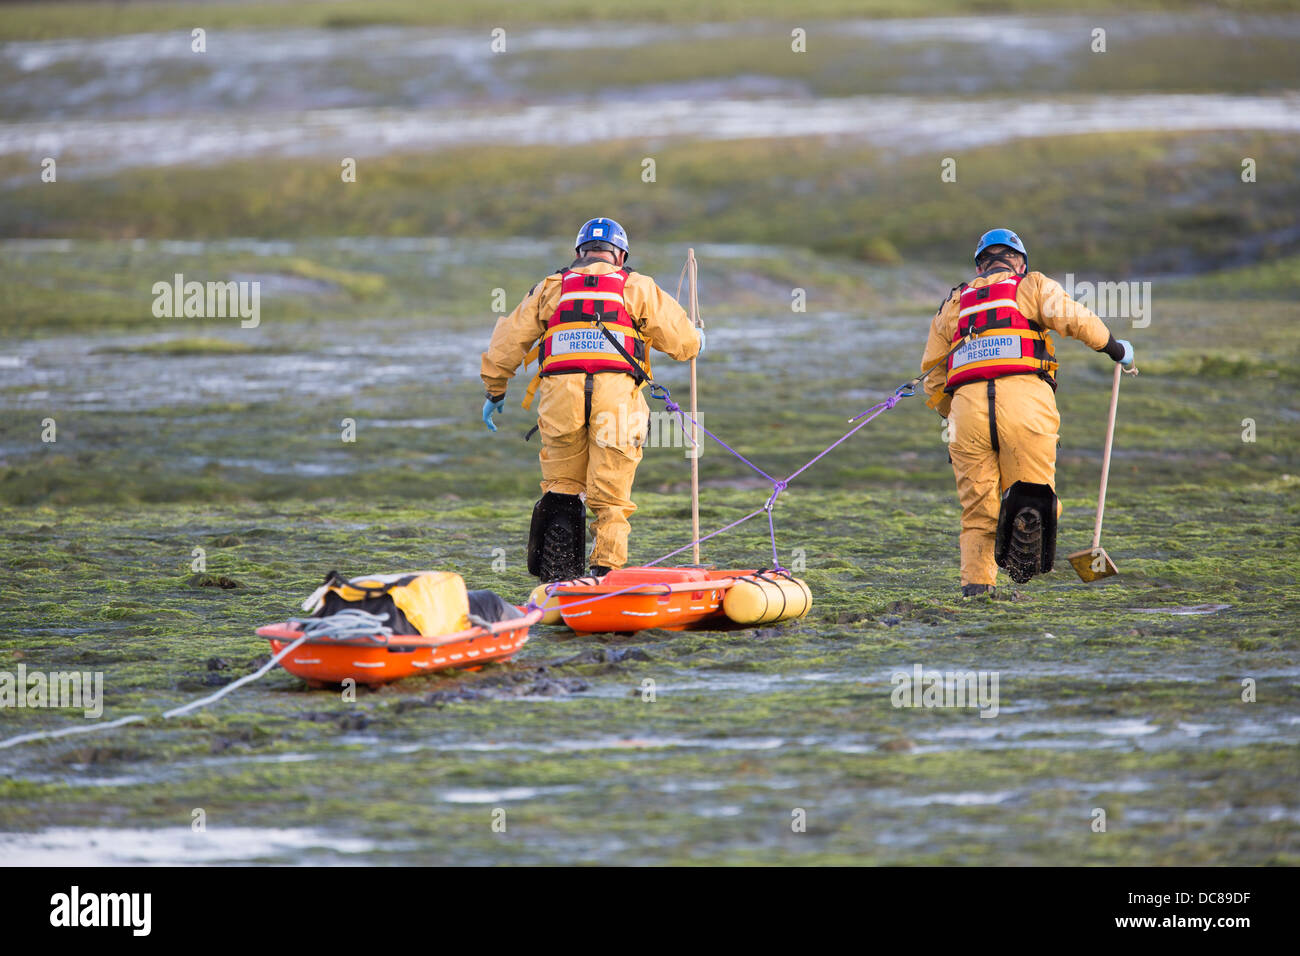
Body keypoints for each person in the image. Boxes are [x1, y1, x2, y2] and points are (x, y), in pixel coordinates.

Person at [480, 218, 703, 581]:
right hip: (616, 402)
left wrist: (495, 389)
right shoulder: (637, 286)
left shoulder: (551, 287)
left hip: (560, 401)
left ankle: (560, 577)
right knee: (611, 496)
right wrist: (698, 340)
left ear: (580, 253)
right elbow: (682, 344)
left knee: (563, 486)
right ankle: (604, 574)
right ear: (620, 254)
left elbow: (507, 341)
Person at [920, 228, 1134, 598]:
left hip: (965, 413)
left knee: (977, 511)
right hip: (1025, 401)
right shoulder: (1031, 285)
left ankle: (977, 588)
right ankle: (1024, 524)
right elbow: (1076, 319)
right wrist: (1115, 348)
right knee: (1035, 495)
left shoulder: (954, 304)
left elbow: (933, 377)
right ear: (1019, 261)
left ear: (980, 265)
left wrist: (951, 417)